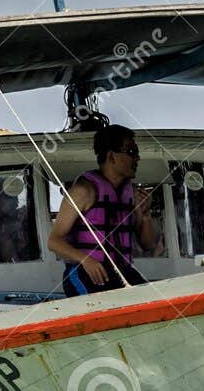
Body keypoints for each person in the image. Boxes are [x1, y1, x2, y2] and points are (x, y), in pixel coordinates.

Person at [48, 124, 155, 297]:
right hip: (86, 273)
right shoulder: (83, 191)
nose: (137, 158)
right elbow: (53, 241)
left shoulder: (130, 195)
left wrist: (145, 215)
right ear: (111, 156)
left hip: (122, 272)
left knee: (153, 300)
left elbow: (148, 244)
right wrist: (86, 259)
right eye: (131, 151)